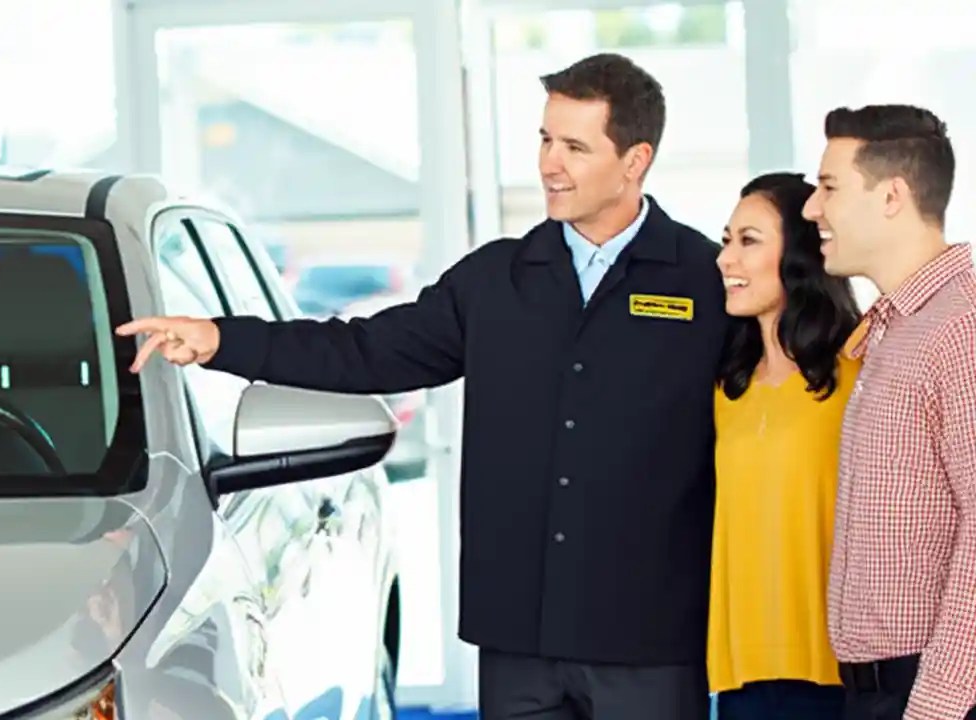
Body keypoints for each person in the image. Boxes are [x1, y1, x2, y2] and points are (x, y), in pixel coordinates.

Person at [117, 52, 728, 719]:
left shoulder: (704, 280)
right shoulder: (498, 280)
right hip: (519, 638)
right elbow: (365, 351)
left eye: (575, 147)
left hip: (648, 636)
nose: (550, 163)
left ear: (634, 161)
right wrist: (222, 339)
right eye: (546, 139)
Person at [802, 103, 976, 720]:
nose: (811, 210)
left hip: (930, 691)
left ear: (892, 195)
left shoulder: (959, 327)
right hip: (880, 689)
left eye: (828, 188)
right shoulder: (896, 327)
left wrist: (937, 704)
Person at [708, 171, 861, 719]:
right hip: (743, 673)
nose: (726, 259)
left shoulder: (859, 372)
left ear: (798, 256)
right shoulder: (727, 387)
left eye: (748, 241)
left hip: (835, 672)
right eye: (727, 241)